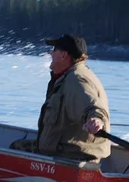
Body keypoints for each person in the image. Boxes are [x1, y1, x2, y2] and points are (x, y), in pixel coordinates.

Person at [12, 34, 111, 163]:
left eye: (54, 50)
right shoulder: (72, 76)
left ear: (64, 55)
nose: (51, 54)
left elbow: (93, 106)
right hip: (67, 151)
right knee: (20, 145)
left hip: (71, 156)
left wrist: (96, 120)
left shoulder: (76, 80)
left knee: (15, 149)